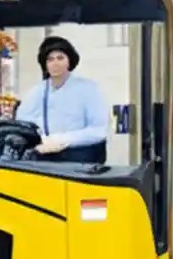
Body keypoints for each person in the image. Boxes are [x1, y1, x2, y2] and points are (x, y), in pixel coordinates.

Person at [14, 35, 110, 163]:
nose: (55, 63)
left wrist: (62, 140)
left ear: (69, 61)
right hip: (45, 159)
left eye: (60, 58)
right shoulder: (36, 92)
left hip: (81, 159)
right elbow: (22, 124)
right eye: (50, 59)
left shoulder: (89, 89)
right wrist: (41, 140)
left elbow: (99, 130)